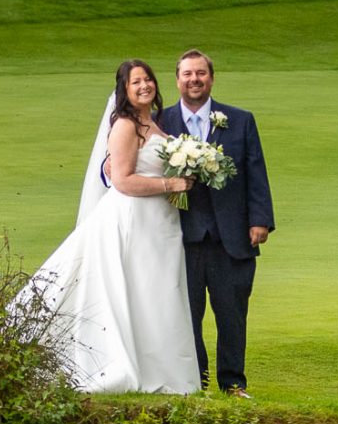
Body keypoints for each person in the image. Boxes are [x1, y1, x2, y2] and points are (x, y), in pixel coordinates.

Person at [15, 60, 202, 394]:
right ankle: (128, 365)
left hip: (160, 222)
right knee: (136, 287)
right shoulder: (126, 126)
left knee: (157, 291)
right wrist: (170, 185)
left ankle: (165, 371)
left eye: (148, 79)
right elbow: (122, 180)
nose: (145, 86)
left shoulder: (156, 126)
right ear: (125, 91)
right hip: (133, 218)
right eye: (136, 82)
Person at [159, 51, 275, 397]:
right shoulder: (159, 122)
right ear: (177, 80)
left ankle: (233, 383)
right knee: (186, 316)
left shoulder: (239, 120)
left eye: (201, 74)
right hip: (181, 237)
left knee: (232, 314)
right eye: (187, 74)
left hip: (233, 236)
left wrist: (260, 221)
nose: (194, 80)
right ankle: (196, 380)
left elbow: (256, 171)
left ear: (211, 78)